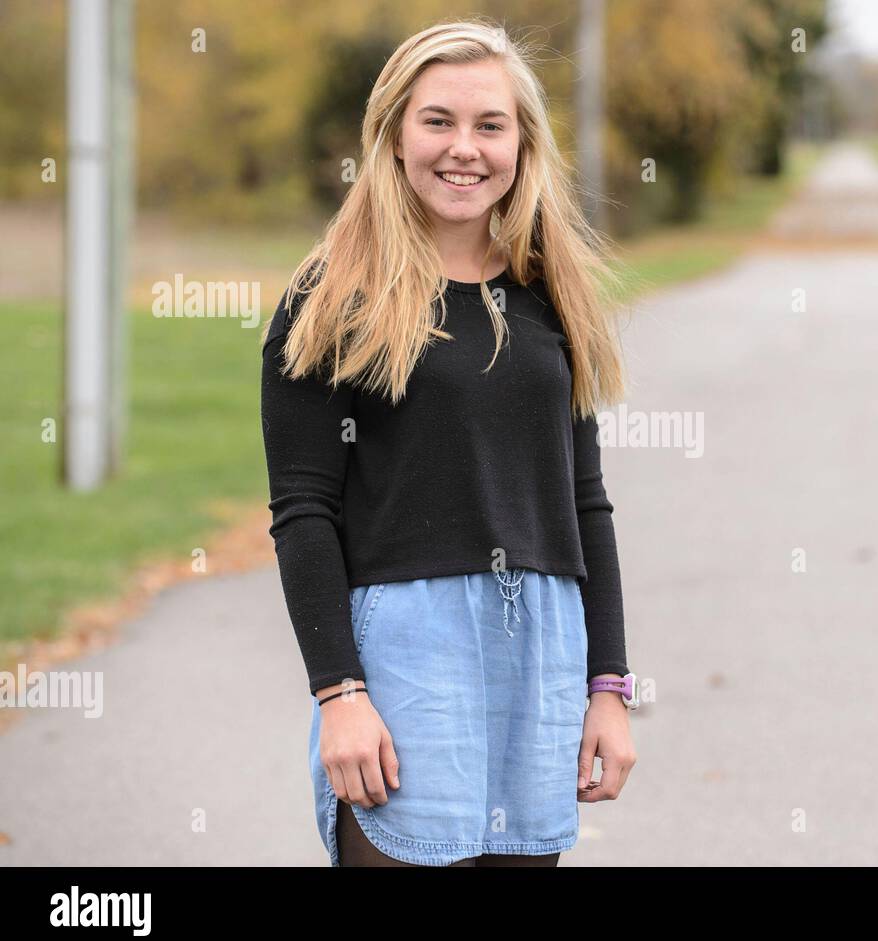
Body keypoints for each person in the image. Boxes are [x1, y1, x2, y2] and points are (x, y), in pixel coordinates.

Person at [259, 17, 637, 867]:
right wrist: (340, 694)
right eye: (438, 121)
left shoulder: (554, 297)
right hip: (407, 661)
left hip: (541, 650)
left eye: (489, 125)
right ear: (394, 135)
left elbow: (587, 505)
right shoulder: (331, 299)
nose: (463, 149)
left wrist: (608, 689)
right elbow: (304, 512)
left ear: (522, 145)